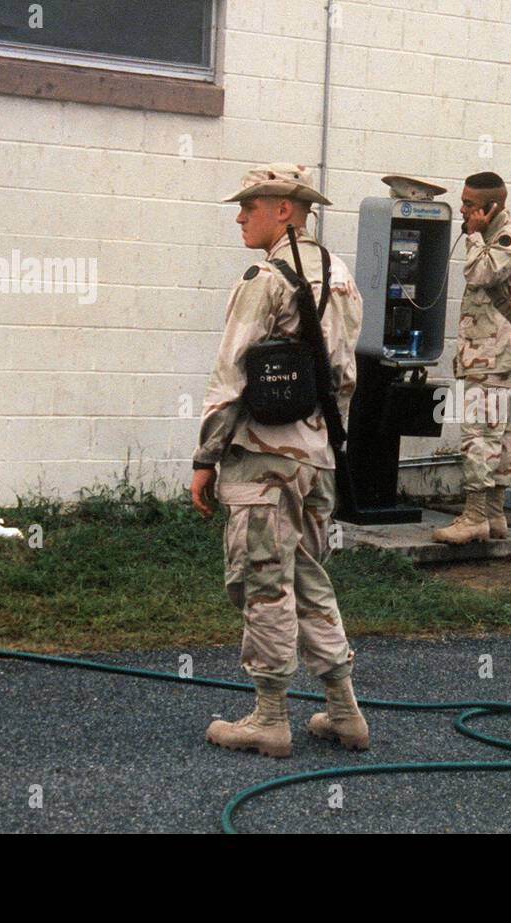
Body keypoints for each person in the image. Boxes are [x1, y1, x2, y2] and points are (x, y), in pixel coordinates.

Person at [190, 163, 368, 757]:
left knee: (263, 583)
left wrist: (206, 456)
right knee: (307, 577)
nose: (240, 216)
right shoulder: (341, 276)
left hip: (263, 460)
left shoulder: (264, 279)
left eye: (251, 205)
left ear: (285, 209)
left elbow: (230, 375)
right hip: (316, 458)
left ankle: (269, 718)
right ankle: (344, 712)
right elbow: (345, 378)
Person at [432, 172, 511, 544]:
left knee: (479, 433)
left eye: (469, 205)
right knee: (499, 432)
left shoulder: (507, 236)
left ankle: (475, 516)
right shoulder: (496, 235)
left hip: (493, 353)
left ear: (491, 207)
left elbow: (481, 274)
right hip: (489, 352)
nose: (462, 210)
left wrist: (474, 235)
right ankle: (494, 515)